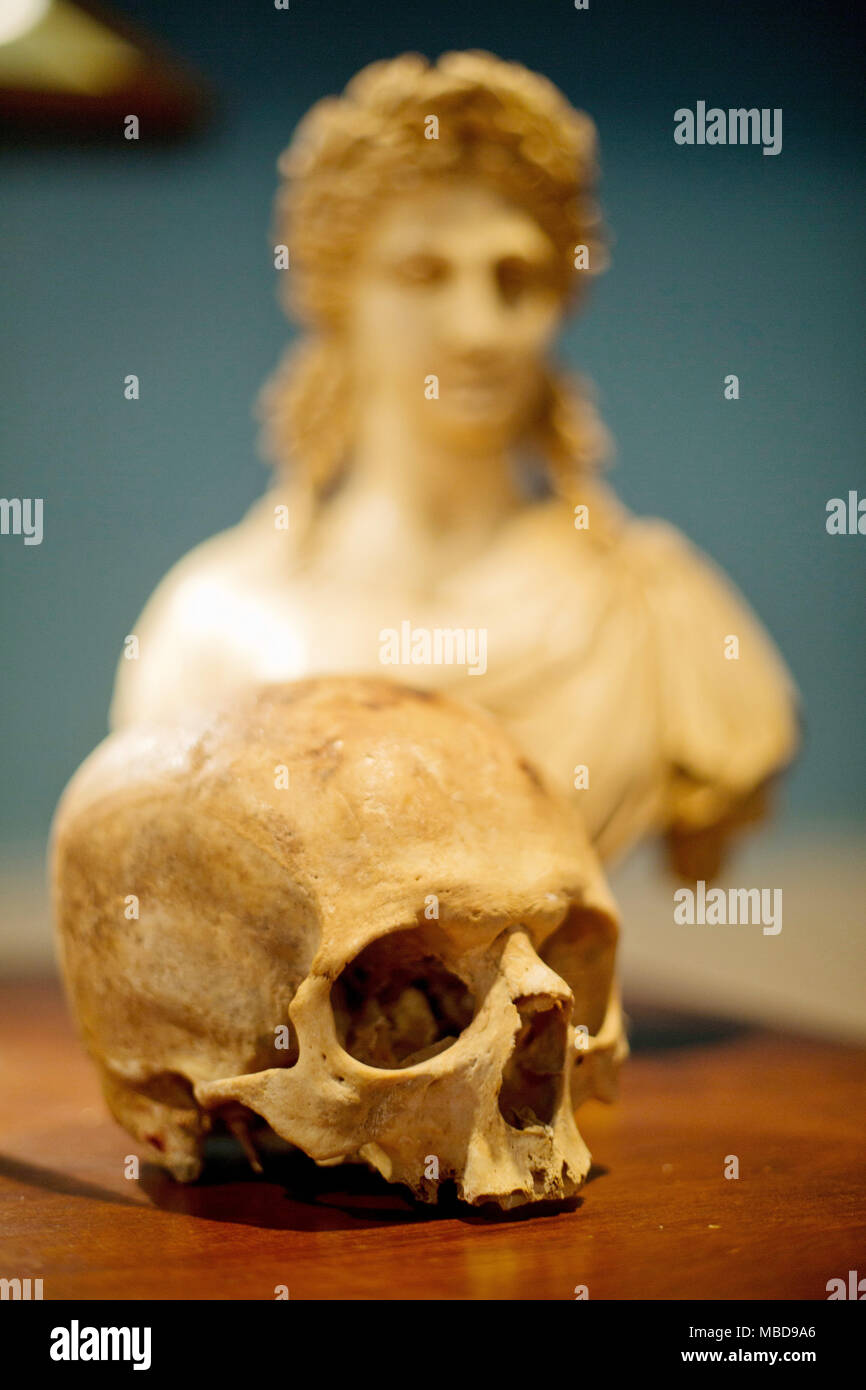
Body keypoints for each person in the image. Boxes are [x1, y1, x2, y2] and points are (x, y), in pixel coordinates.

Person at [111, 51, 798, 874]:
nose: (476, 328)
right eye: (422, 272)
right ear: (339, 298)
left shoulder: (657, 618)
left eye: (516, 278)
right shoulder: (212, 624)